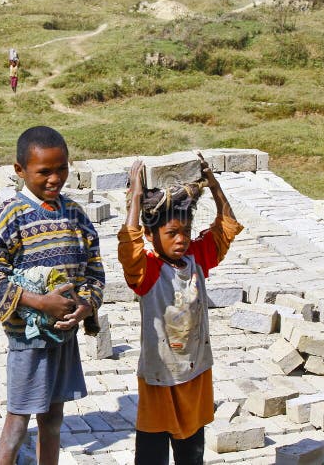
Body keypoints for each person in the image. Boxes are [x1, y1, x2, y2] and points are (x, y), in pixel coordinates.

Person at [0, 125, 104, 465]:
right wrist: (38, 302)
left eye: (61, 169)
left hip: (64, 338)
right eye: (44, 171)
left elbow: (93, 269)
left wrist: (86, 306)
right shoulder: (11, 216)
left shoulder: (74, 213)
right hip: (27, 341)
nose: (54, 179)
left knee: (53, 420)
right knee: (18, 423)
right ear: (20, 171)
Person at [118, 154, 242, 465]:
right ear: (151, 236)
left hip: (196, 372)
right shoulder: (147, 272)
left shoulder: (197, 259)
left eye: (185, 231)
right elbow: (128, 246)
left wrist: (214, 186)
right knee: (152, 455)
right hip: (160, 378)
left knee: (192, 454)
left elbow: (225, 226)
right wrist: (135, 197)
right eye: (171, 233)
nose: (181, 240)